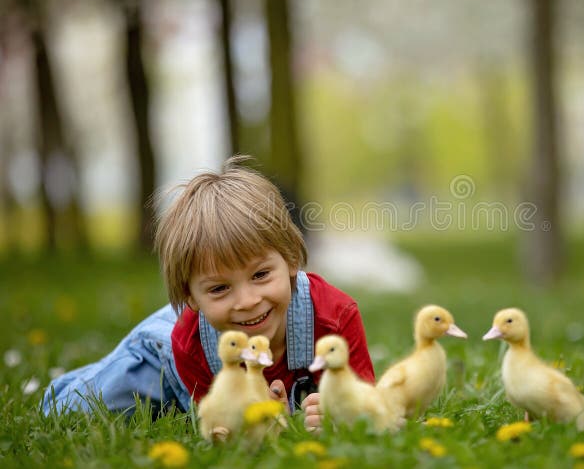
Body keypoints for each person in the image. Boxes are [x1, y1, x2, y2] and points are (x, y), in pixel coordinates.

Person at [42, 156, 374, 430]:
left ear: (289, 259)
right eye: (219, 288)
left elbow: (367, 406)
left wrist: (339, 416)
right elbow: (215, 421)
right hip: (165, 355)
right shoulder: (188, 342)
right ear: (190, 295)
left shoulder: (336, 317)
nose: (247, 301)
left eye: (260, 274)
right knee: (66, 412)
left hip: (208, 330)